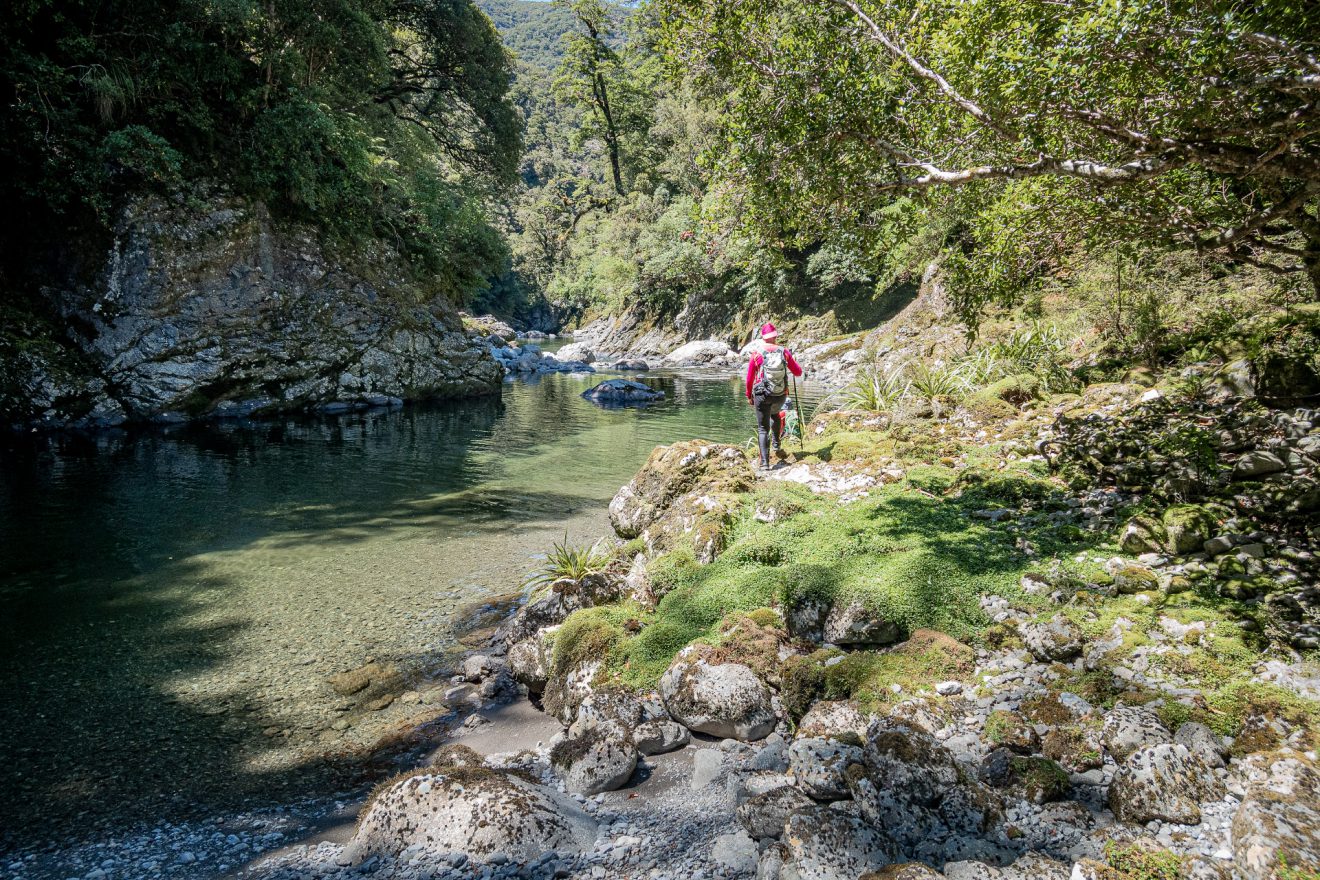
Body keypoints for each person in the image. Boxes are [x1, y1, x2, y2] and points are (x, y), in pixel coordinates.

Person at [745, 322, 803, 470]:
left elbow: (749, 379)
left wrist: (749, 396)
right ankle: (777, 445)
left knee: (763, 428)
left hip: (762, 395)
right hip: (780, 395)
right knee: (775, 414)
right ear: (776, 336)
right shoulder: (784, 352)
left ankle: (765, 464)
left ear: (763, 338)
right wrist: (791, 360)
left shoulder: (756, 354)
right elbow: (798, 372)